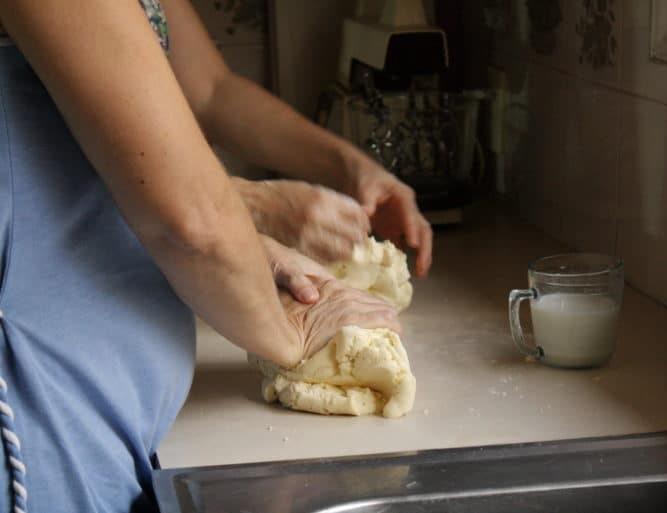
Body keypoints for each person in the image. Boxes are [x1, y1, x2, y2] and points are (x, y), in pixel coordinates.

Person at [0, 0, 433, 512]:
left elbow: (209, 88)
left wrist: (350, 166)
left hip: (99, 403)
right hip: (37, 401)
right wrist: (294, 332)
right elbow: (191, 223)